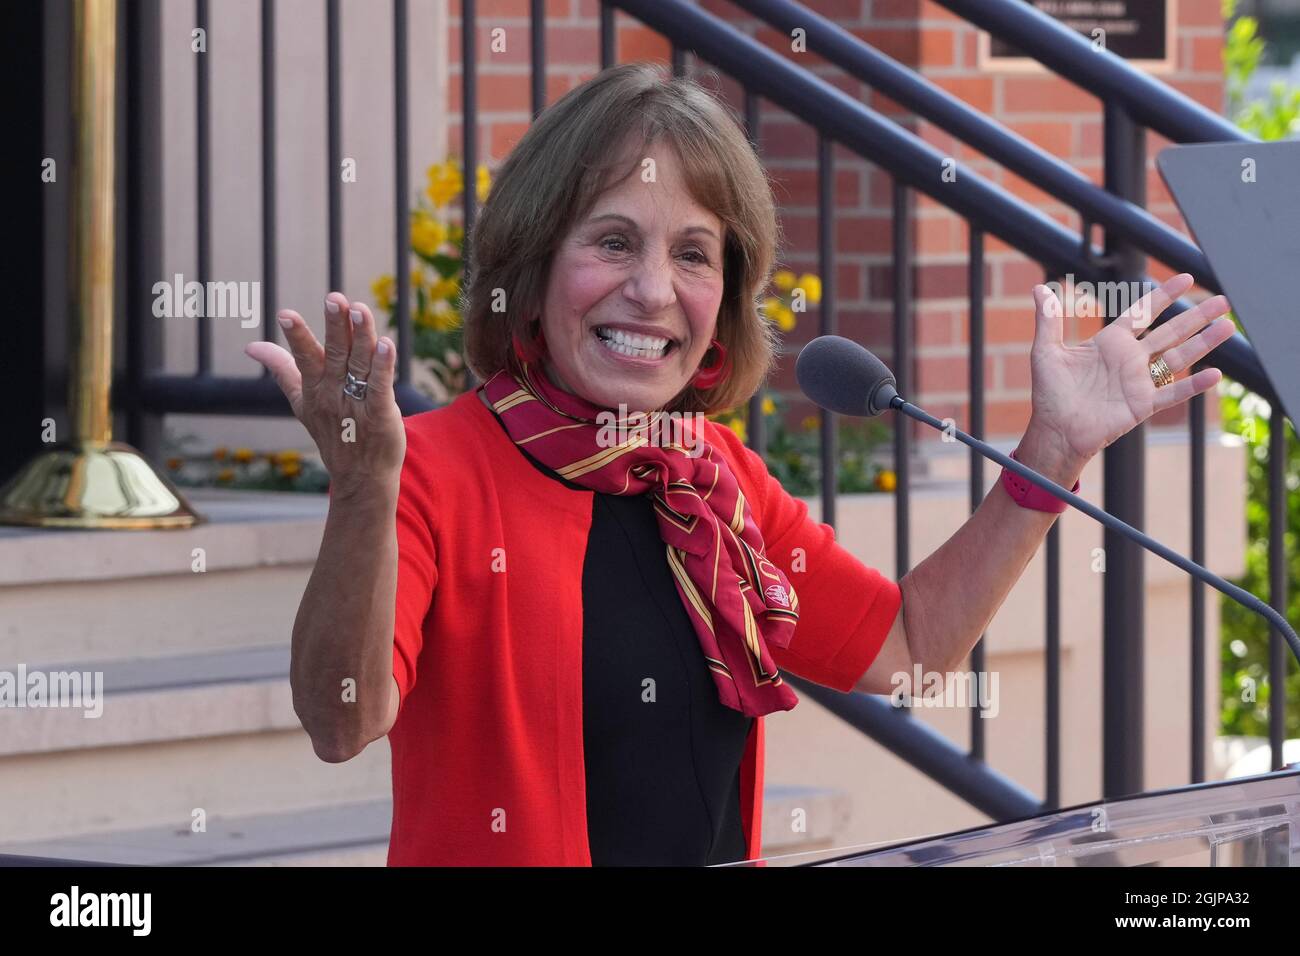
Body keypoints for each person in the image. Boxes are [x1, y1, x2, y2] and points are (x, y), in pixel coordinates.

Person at [244, 62, 1236, 866]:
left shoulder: (710, 477)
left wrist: (1049, 451)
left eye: (692, 254)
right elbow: (341, 719)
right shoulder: (435, 469)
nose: (649, 290)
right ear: (533, 268)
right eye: (613, 242)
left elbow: (910, 646)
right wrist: (365, 491)